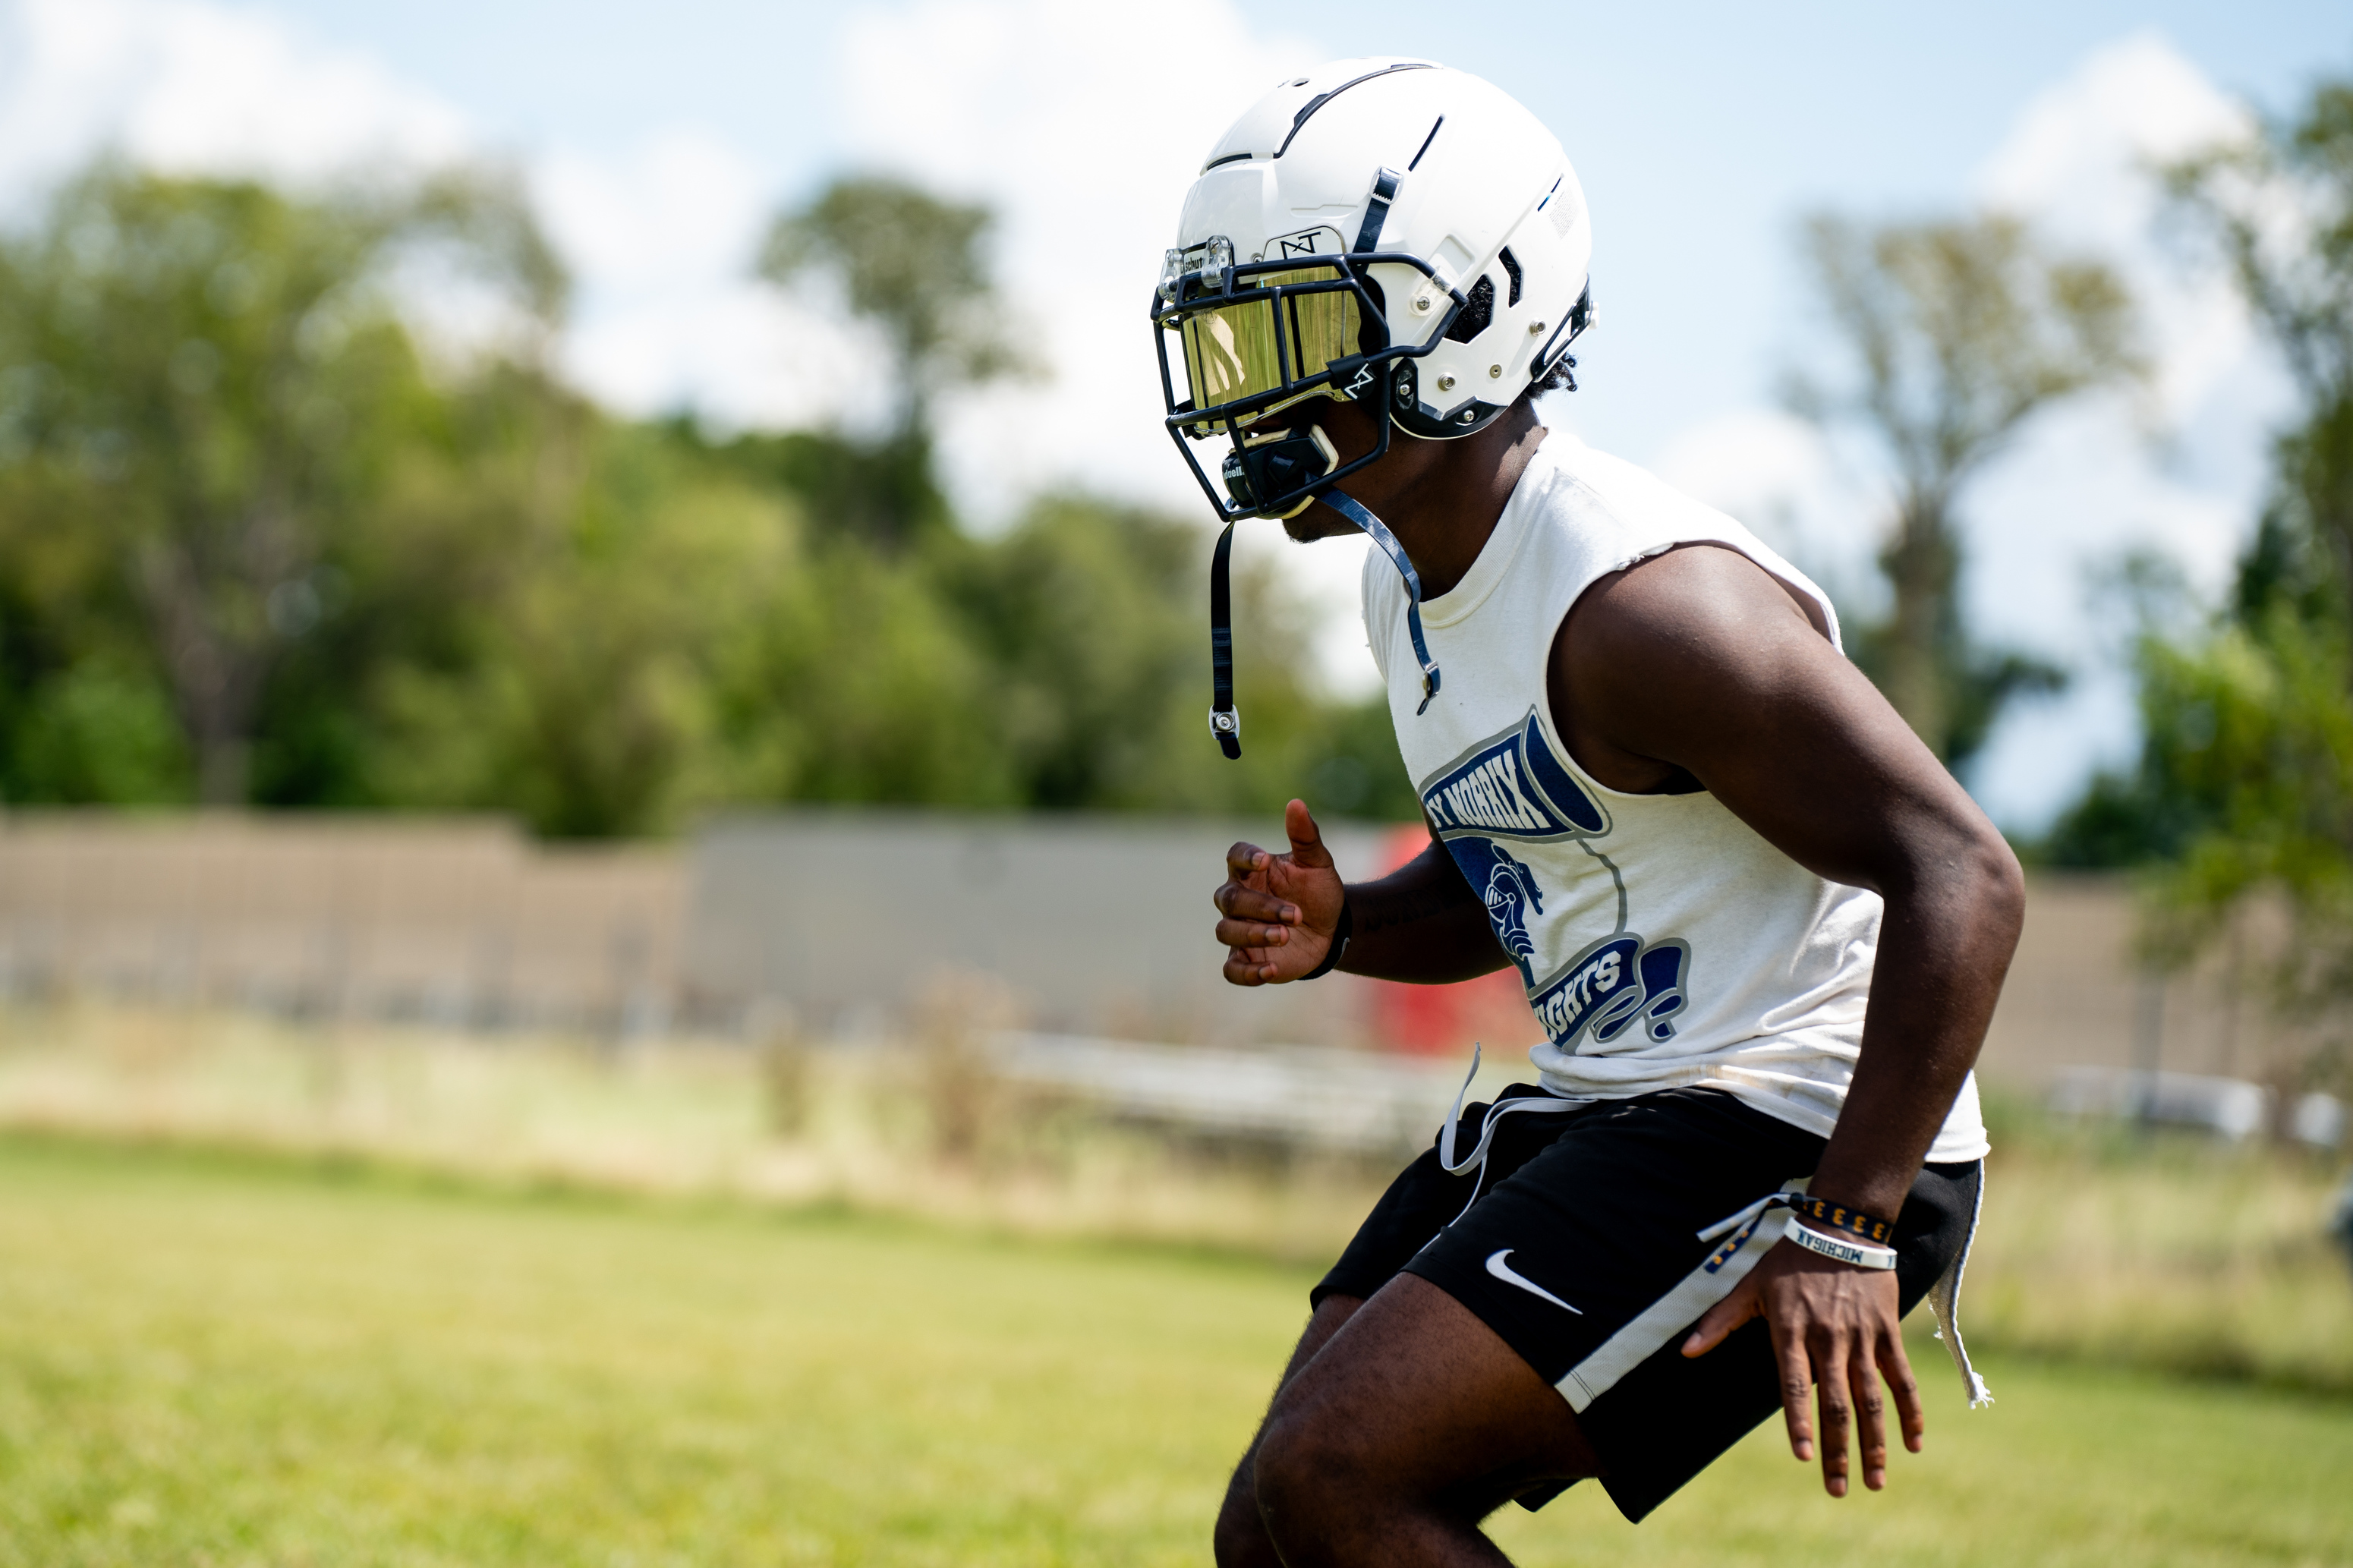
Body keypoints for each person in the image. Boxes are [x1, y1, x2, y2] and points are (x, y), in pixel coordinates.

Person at [1148, 59, 2024, 1564]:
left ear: (1466, 316)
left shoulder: (1644, 606)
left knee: (1338, 1482)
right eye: (1229, 335)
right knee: (1269, 1525)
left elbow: (1959, 870)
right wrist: (1352, 925)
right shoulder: (1400, 576)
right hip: (1624, 1088)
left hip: (1793, 1113)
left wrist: (1846, 1219)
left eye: (1291, 330)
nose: (1243, 386)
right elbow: (1539, 881)